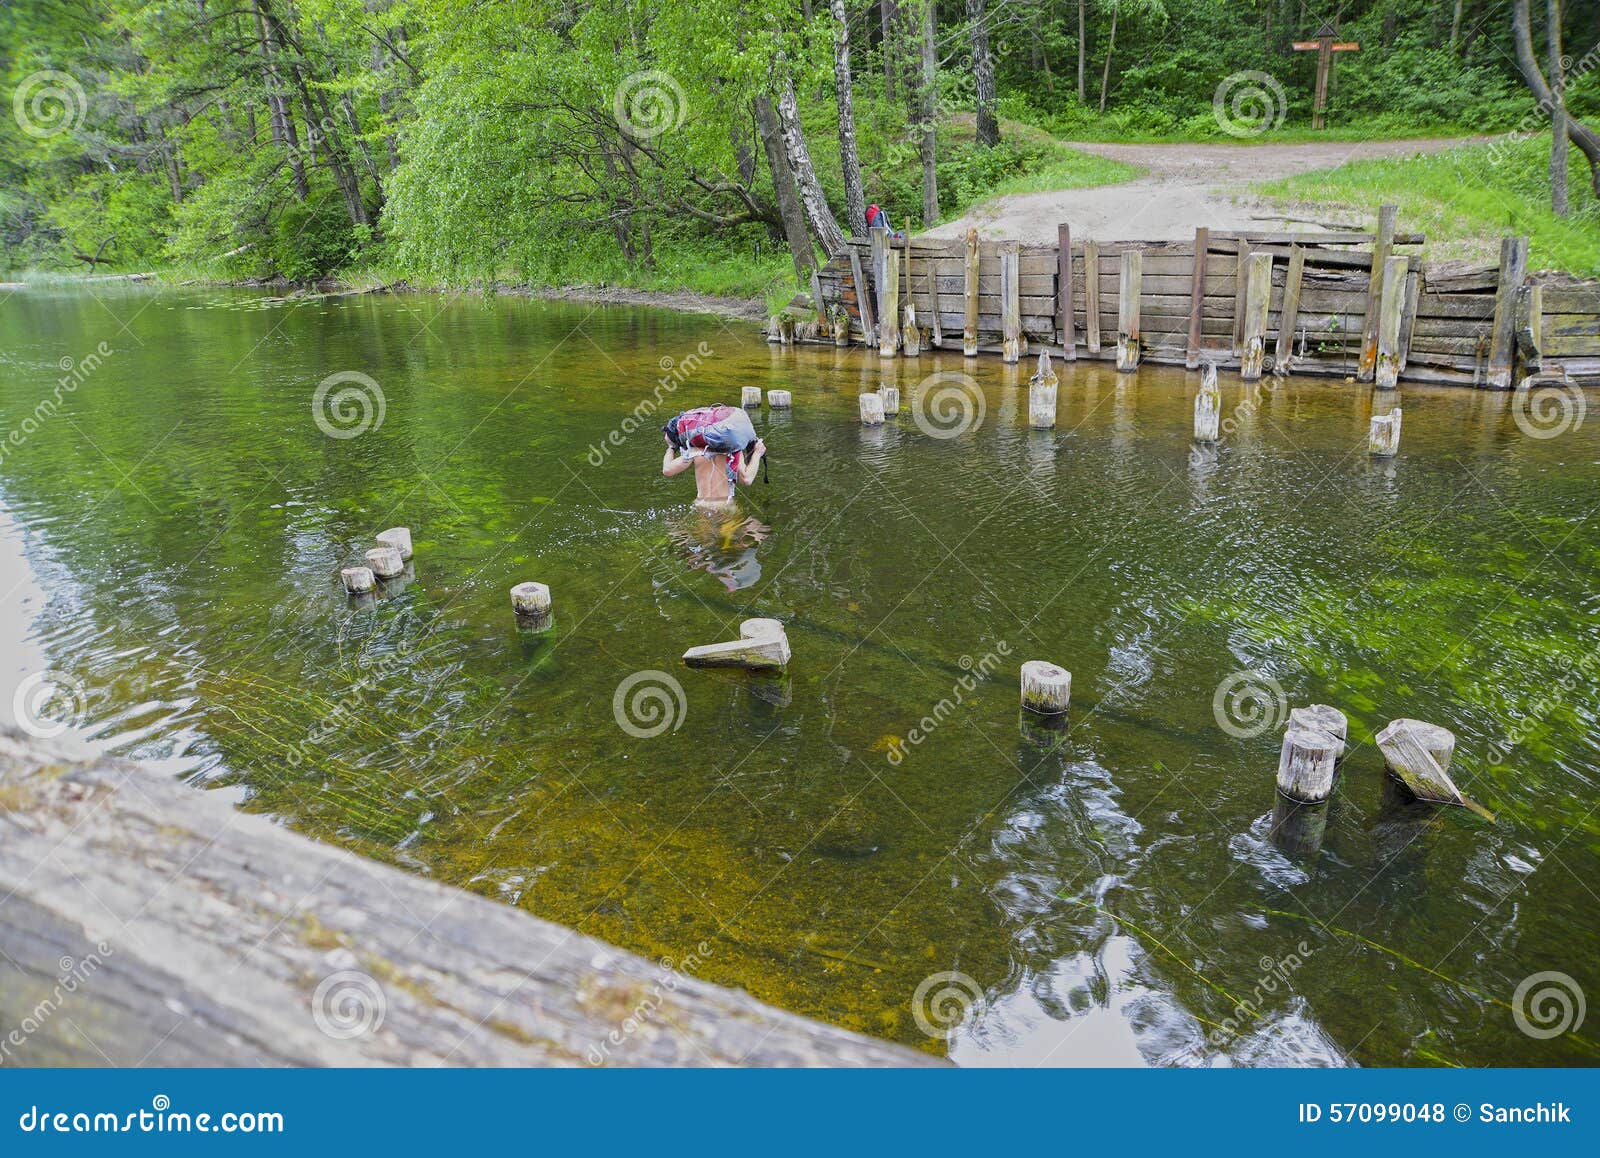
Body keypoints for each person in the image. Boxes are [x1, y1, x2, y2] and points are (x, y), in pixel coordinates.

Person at [661, 405, 766, 509]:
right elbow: (746, 479)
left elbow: (667, 470)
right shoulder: (734, 451)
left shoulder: (695, 451)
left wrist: (671, 448)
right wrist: (757, 453)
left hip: (702, 506)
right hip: (725, 506)